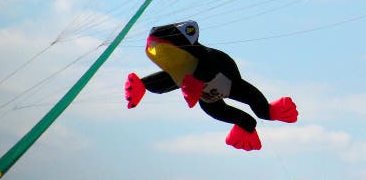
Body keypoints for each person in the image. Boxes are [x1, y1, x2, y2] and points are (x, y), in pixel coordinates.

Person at [124, 20, 297, 151]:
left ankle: (272, 111)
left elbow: (206, 69)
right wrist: (143, 86)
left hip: (228, 82)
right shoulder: (181, 72)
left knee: (258, 106)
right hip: (208, 99)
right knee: (221, 112)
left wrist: (194, 84)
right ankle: (247, 126)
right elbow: (164, 81)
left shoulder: (204, 57)